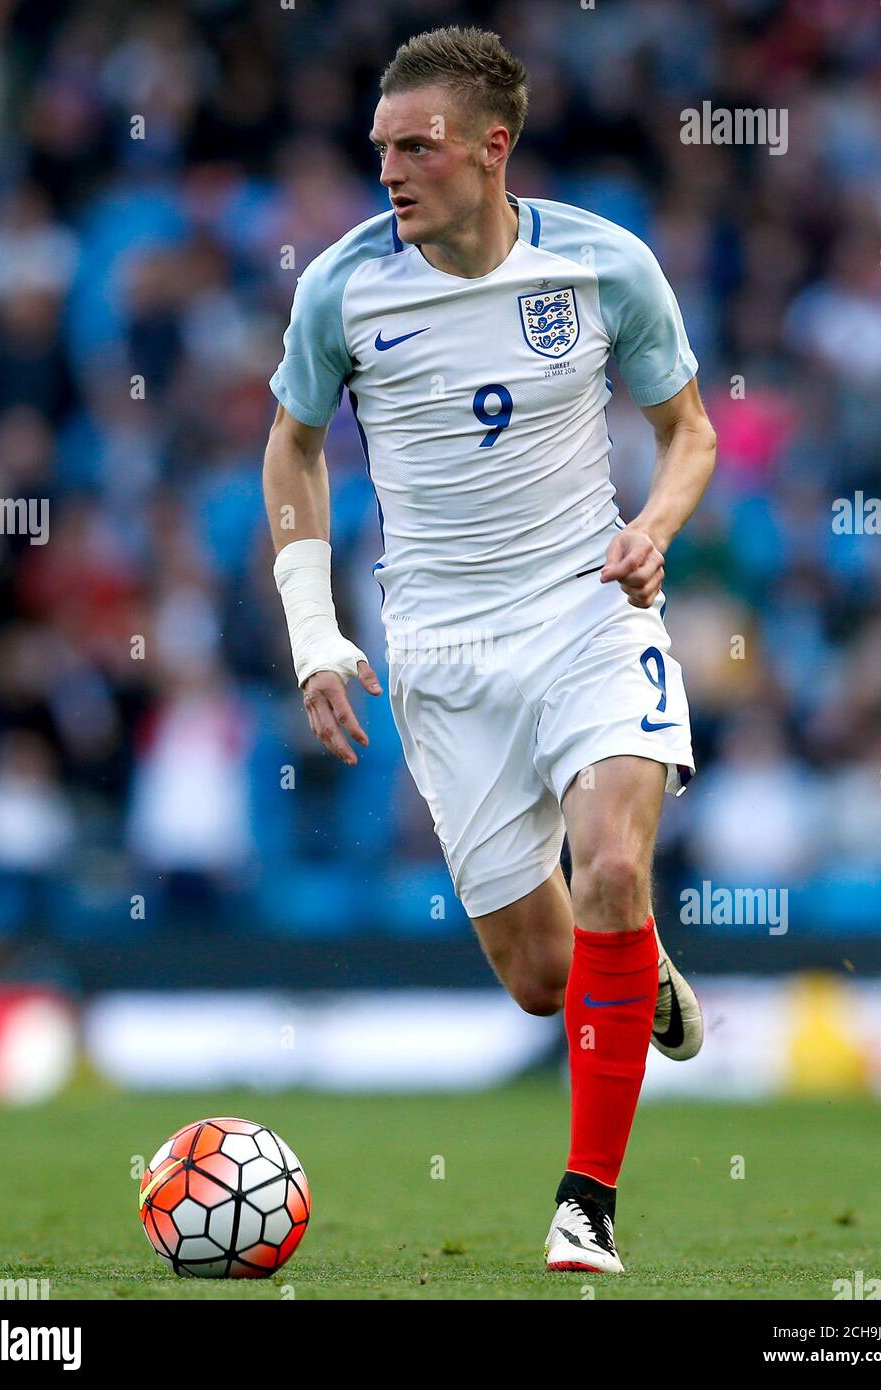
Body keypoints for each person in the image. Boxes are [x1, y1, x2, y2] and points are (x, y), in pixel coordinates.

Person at [264, 25, 716, 1273]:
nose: (390, 171)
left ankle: (588, 1203)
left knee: (613, 872)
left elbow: (689, 432)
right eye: (379, 149)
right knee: (538, 978)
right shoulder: (341, 288)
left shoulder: (605, 265)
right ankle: (641, 971)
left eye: (416, 147)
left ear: (490, 149)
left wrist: (654, 527)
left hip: (587, 609)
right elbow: (290, 446)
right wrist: (315, 629)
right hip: (443, 651)